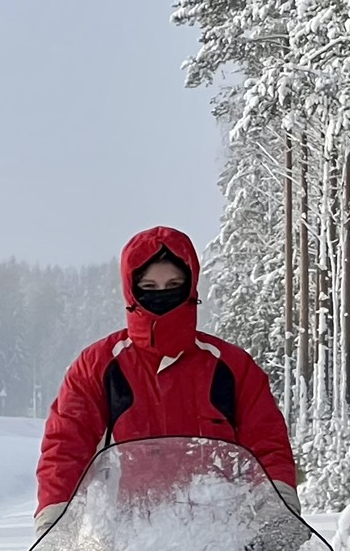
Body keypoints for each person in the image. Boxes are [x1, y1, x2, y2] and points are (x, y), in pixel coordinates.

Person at [35, 225, 299, 531]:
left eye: (174, 284)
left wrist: (278, 505)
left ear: (191, 286)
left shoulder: (231, 366)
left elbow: (266, 440)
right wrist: (55, 522)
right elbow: (66, 446)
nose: (163, 294)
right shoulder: (98, 366)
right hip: (121, 545)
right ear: (131, 290)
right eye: (150, 286)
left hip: (226, 542)